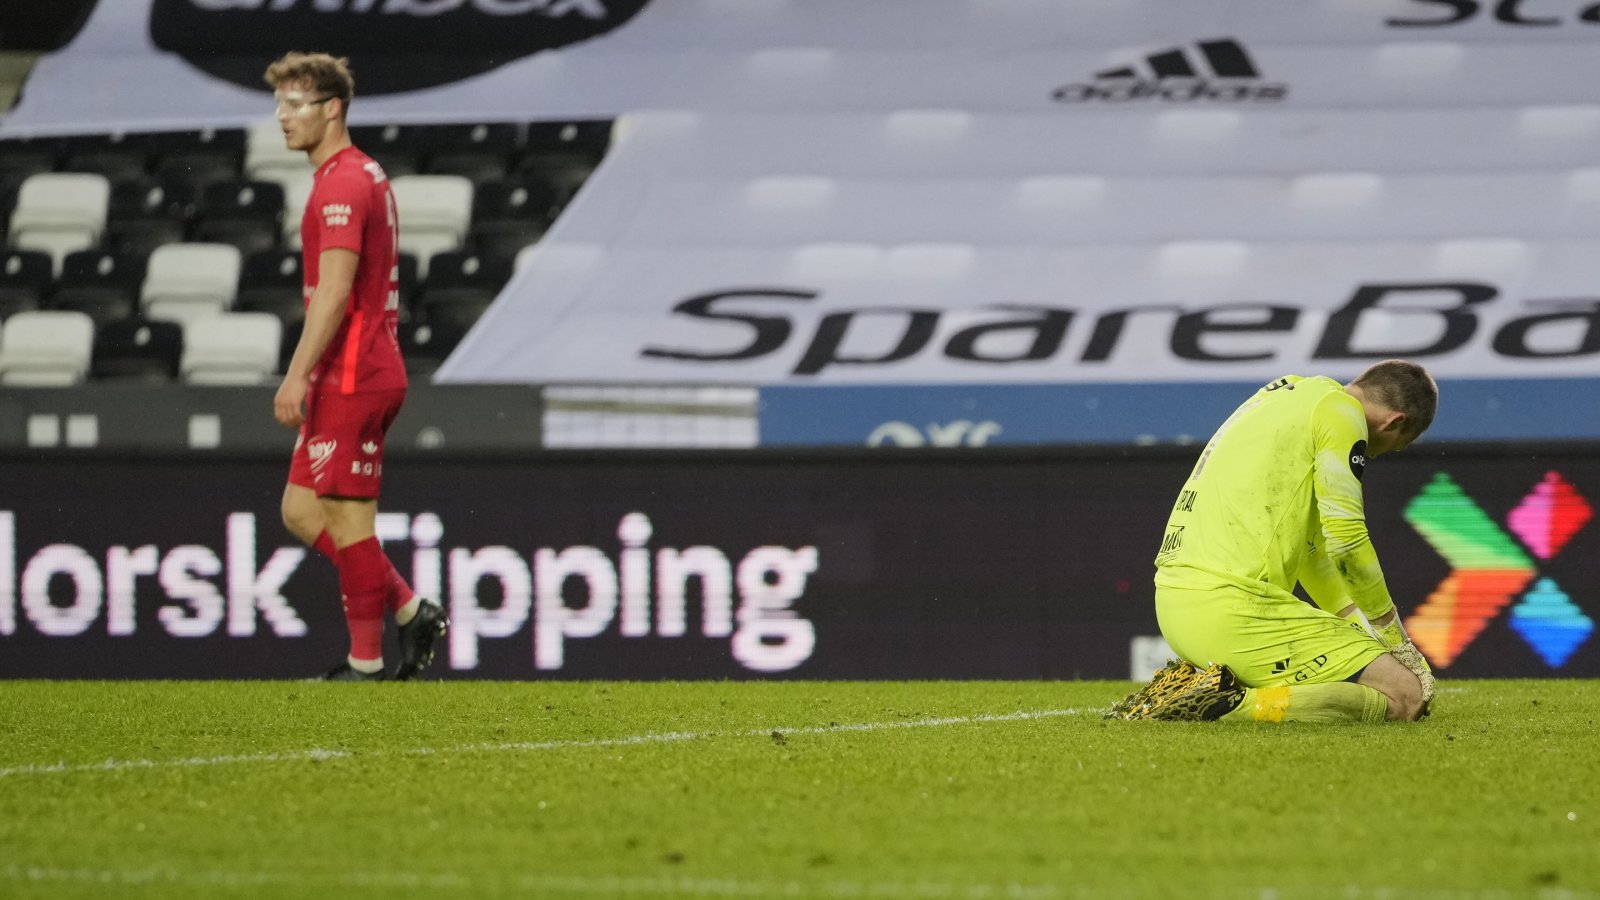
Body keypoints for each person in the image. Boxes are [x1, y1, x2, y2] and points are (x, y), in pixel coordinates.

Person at [1109, 359, 1438, 723]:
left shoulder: (1285, 394)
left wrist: (1370, 631)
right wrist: (1394, 636)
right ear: (1396, 421)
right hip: (1236, 610)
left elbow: (1315, 556)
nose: (1376, 454)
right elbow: (1346, 540)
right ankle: (1220, 706)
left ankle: (1205, 689)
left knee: (1373, 674)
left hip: (1178, 606)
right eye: (1392, 447)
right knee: (1406, 696)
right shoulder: (1343, 414)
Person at [265, 52, 447, 681]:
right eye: (279, 105)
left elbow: (337, 293)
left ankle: (364, 667)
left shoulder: (342, 183)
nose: (282, 119)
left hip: (353, 372)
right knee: (300, 510)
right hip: (352, 370)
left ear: (332, 108)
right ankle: (409, 608)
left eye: (295, 106)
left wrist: (294, 374)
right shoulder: (356, 174)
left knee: (348, 523)